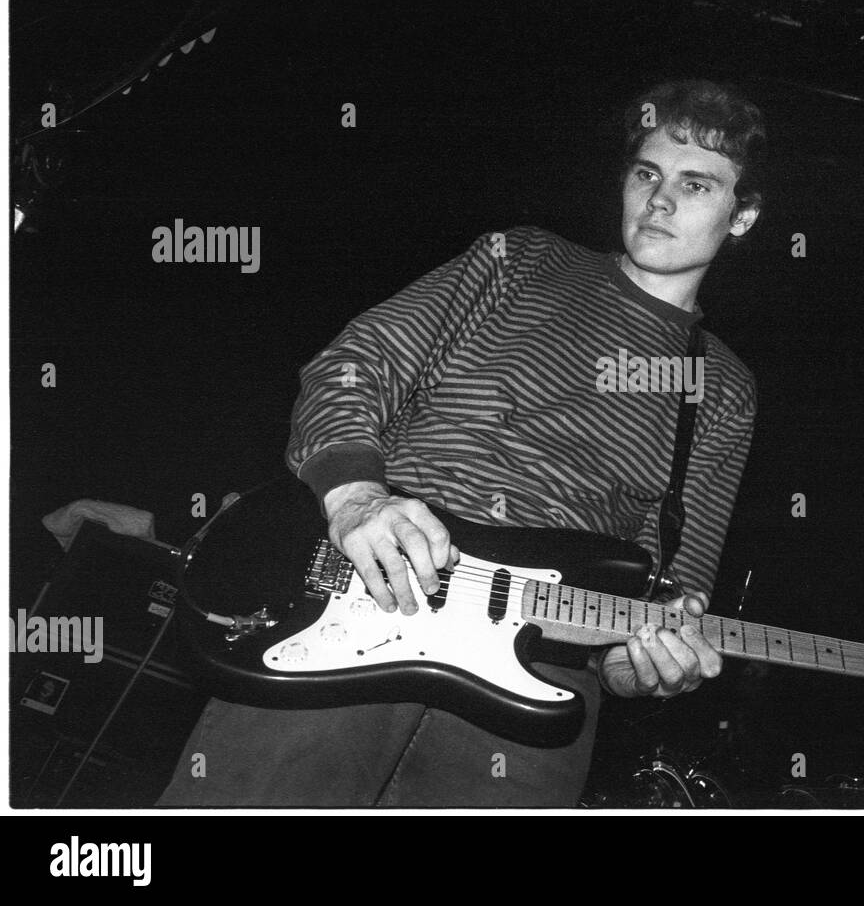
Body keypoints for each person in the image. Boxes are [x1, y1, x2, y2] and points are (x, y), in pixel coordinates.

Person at [158, 79, 764, 806]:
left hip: (536, 696)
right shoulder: (521, 259)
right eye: (646, 174)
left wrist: (646, 666)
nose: (659, 200)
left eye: (695, 185)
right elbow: (356, 365)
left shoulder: (723, 387)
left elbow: (667, 590)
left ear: (745, 216)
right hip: (376, 592)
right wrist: (356, 498)